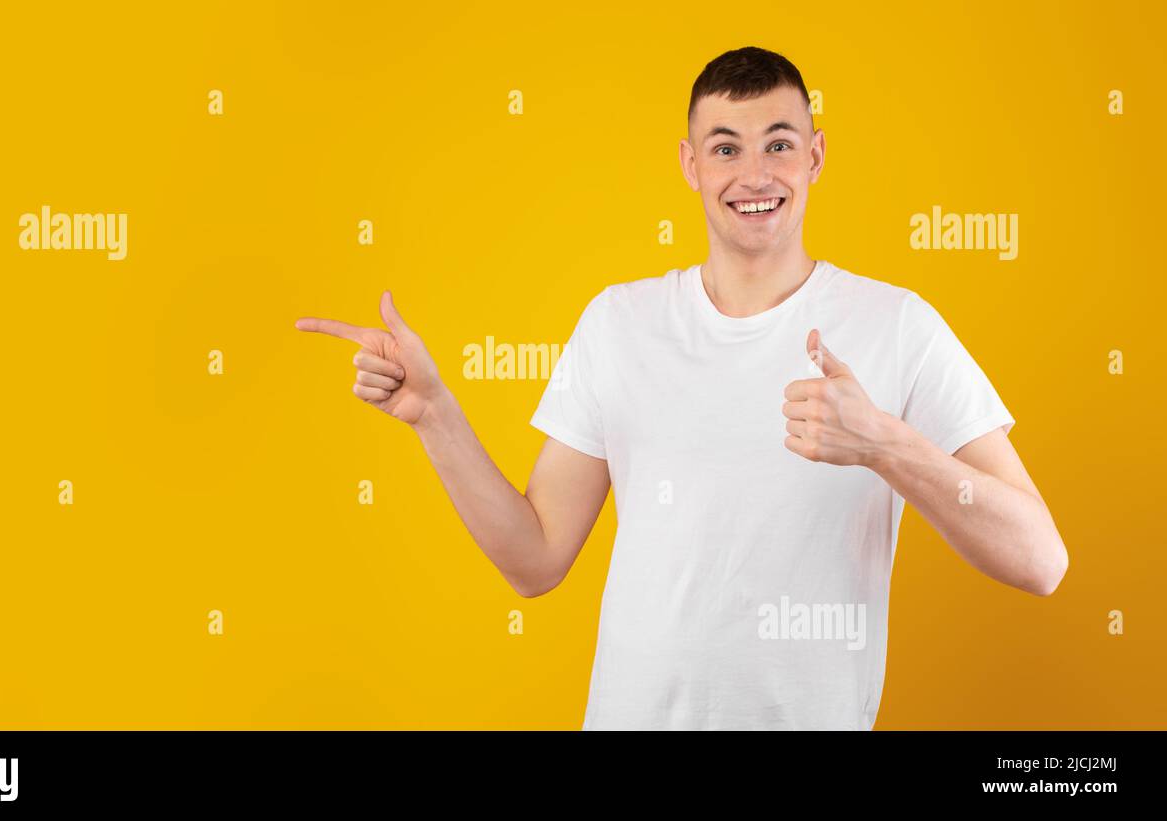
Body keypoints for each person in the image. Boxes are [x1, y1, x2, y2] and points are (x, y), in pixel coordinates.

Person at [294, 46, 1068, 730]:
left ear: (817, 157)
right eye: (726, 148)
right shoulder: (619, 322)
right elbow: (535, 561)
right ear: (691, 164)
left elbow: (1042, 559)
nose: (755, 175)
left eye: (780, 144)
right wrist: (434, 413)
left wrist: (885, 445)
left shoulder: (897, 325)